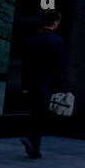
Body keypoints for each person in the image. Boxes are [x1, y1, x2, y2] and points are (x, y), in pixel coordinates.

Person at [20, 10, 67, 159]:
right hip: (46, 84)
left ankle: (34, 148)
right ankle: (31, 140)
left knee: (34, 113)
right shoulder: (57, 42)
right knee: (40, 116)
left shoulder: (32, 40)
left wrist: (25, 85)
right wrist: (62, 87)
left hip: (32, 83)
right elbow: (59, 66)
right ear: (55, 22)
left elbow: (25, 64)